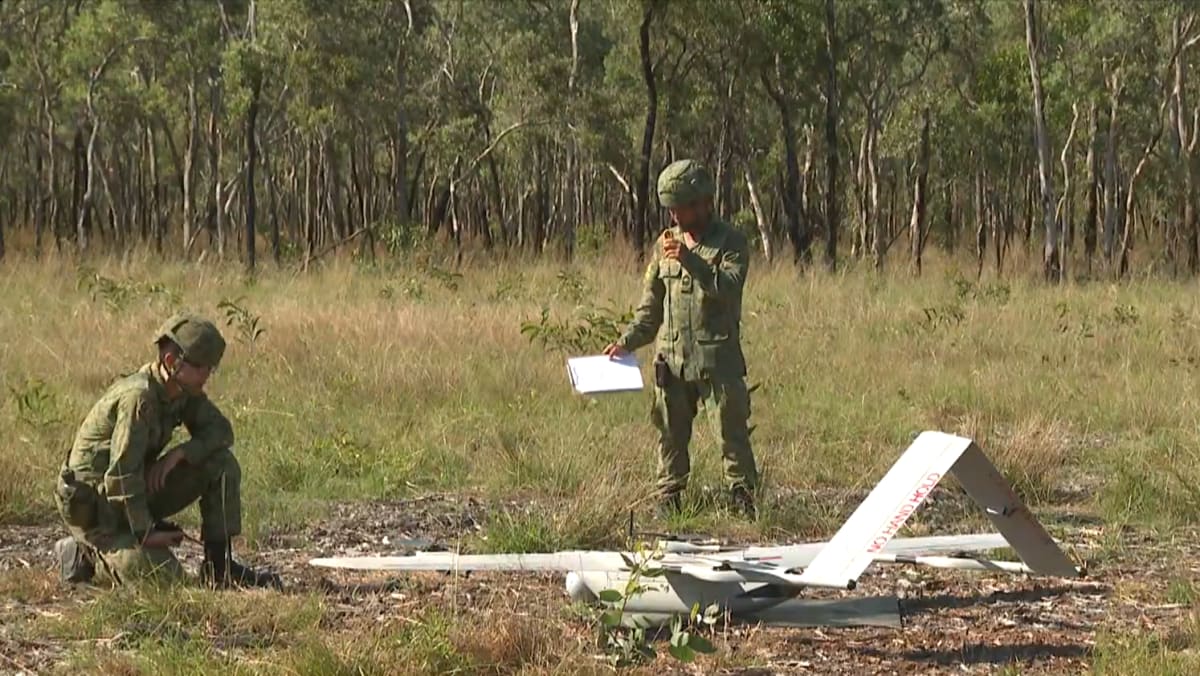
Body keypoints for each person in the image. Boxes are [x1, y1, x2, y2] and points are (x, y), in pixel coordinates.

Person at [53, 312, 281, 590]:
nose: (208, 375)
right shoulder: (139, 398)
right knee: (165, 580)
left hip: (129, 492)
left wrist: (181, 453)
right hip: (95, 508)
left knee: (221, 464)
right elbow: (121, 475)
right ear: (173, 362)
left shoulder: (180, 391)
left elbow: (221, 432)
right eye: (203, 367)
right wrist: (146, 532)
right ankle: (85, 551)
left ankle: (219, 568)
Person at [604, 159, 759, 520]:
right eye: (670, 208)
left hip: (717, 362)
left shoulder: (731, 242)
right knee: (670, 436)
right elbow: (651, 308)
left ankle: (742, 499)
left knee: (731, 434)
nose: (675, 215)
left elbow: (729, 287)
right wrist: (627, 341)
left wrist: (693, 262)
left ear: (703, 202)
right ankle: (669, 497)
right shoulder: (665, 245)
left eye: (682, 207)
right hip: (671, 362)